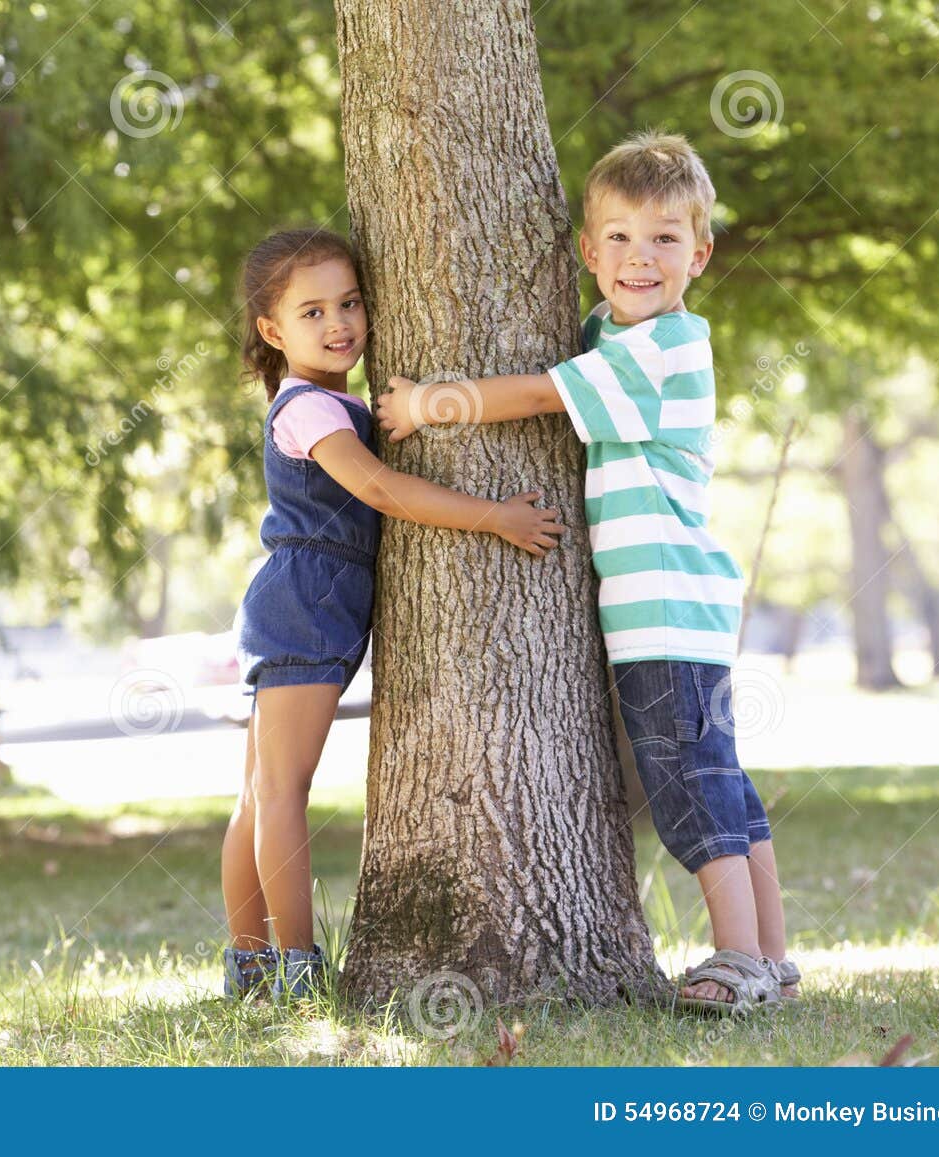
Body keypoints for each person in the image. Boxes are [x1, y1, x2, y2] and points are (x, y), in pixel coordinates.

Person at [376, 132, 798, 1016]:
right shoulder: (616, 330)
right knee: (721, 777)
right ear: (587, 251)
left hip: (665, 608)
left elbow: (537, 394)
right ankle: (773, 955)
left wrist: (426, 403)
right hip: (678, 606)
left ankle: (739, 957)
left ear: (701, 252)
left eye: (664, 239)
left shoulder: (665, 347)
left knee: (688, 786)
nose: (639, 257)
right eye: (618, 237)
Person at [222, 227, 565, 1002]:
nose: (338, 322)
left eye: (349, 303)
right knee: (279, 792)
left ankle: (249, 968)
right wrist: (493, 517)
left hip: (312, 603)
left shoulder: (337, 397)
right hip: (304, 604)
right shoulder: (309, 410)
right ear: (273, 331)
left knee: (260, 791)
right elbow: (379, 488)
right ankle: (294, 967)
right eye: (312, 312)